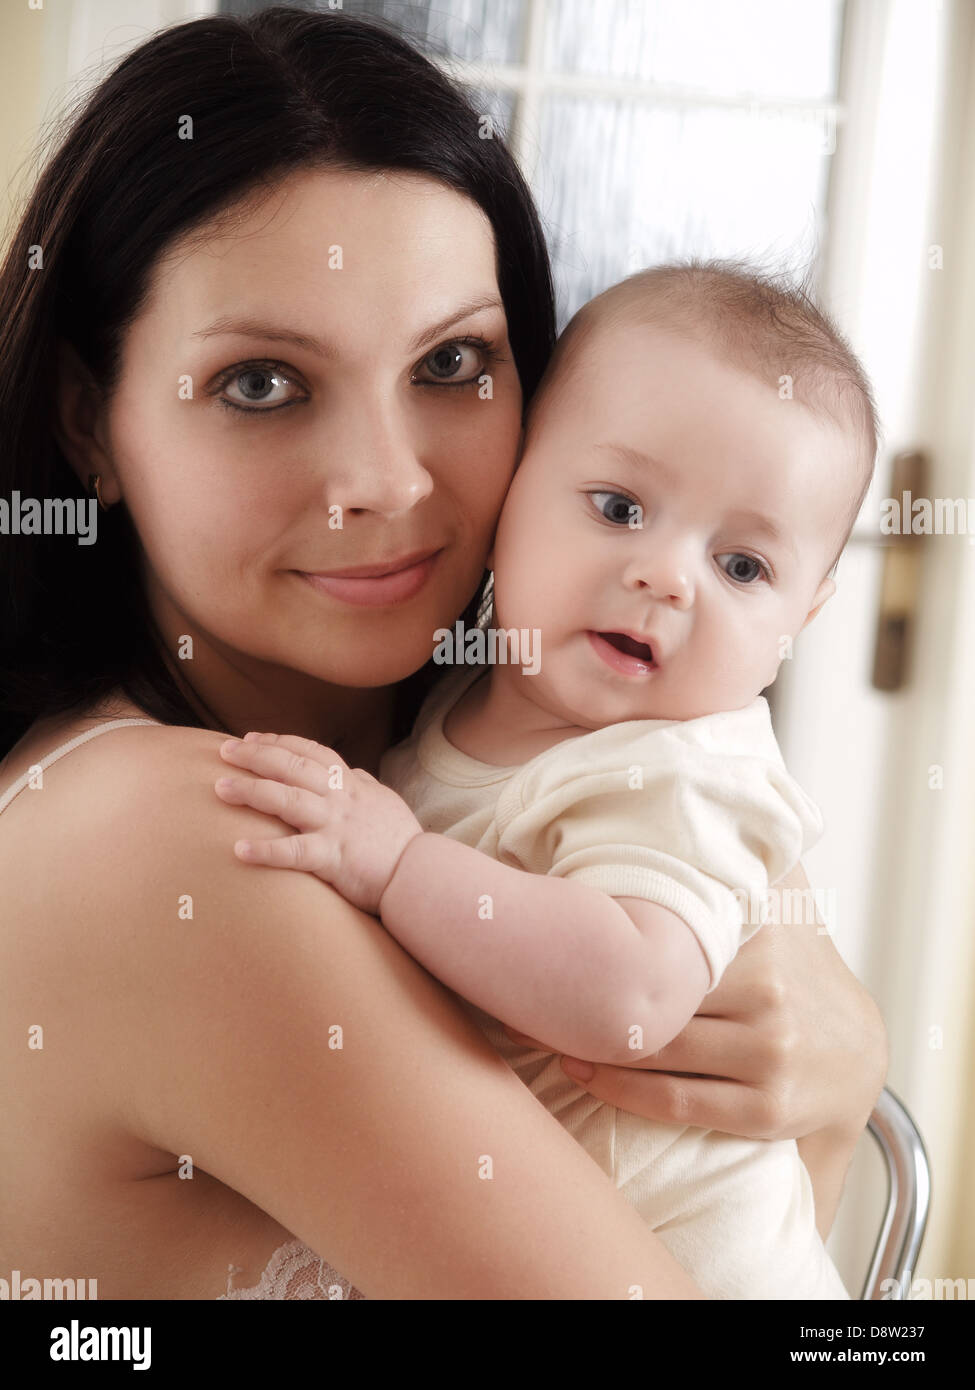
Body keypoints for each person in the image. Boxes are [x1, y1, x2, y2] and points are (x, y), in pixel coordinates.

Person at [0, 7, 886, 1300]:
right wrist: (825, 1099)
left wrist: (835, 1068)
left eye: (452, 361)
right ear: (89, 419)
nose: (386, 478)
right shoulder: (193, 838)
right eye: (261, 381)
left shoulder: (492, 750)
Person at [210, 261, 876, 1299]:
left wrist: (400, 866)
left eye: (743, 567)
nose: (667, 576)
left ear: (806, 614)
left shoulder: (687, 769)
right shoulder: (463, 700)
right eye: (619, 506)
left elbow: (631, 993)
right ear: (515, 485)